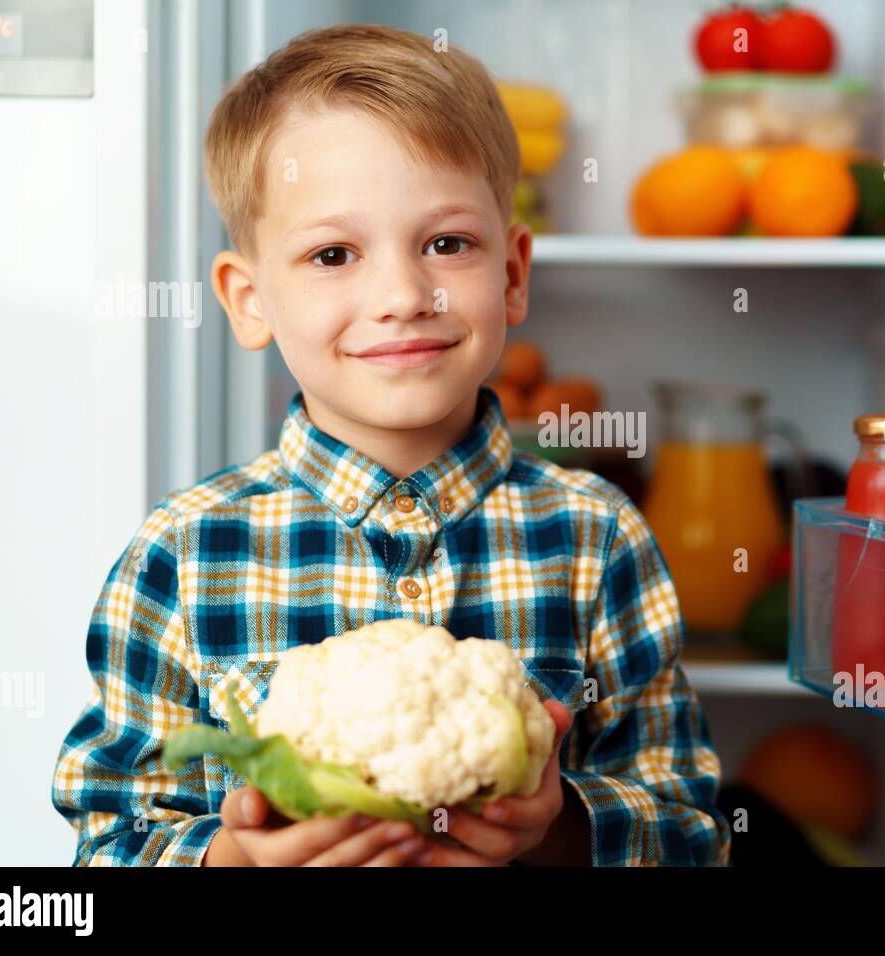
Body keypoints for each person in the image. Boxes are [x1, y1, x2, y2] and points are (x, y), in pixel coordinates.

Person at [50, 23, 730, 867]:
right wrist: (235, 858)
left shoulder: (597, 536)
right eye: (334, 254)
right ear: (249, 298)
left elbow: (692, 830)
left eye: (447, 244)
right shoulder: (183, 554)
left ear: (513, 273)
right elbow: (108, 837)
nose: (404, 294)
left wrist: (556, 831)